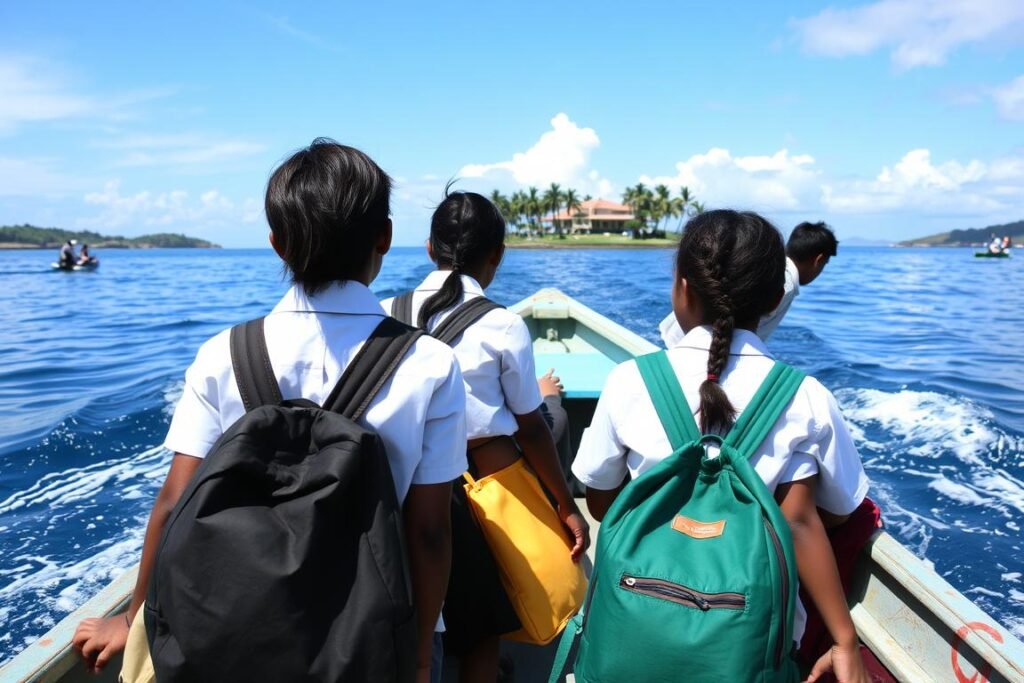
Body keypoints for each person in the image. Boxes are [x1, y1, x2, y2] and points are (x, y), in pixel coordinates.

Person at [71, 139, 468, 683]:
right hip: (373, 635)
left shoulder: (223, 354)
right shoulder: (430, 364)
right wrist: (420, 657)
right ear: (385, 237)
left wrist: (134, 617)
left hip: (235, 628)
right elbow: (428, 533)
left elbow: (171, 504)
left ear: (277, 245)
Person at [573, 210, 870, 682]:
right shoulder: (804, 396)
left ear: (682, 289)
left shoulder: (630, 381)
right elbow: (817, 518)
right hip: (744, 650)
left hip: (630, 633)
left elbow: (603, 499)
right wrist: (844, 639)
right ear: (776, 298)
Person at [381, 190, 589, 683]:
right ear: (496, 255)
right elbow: (533, 428)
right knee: (480, 629)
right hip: (477, 491)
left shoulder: (387, 310)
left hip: (400, 484)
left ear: (430, 248)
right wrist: (565, 506)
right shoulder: (502, 324)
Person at [658, 220, 838, 345]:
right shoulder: (784, 283)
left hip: (680, 341)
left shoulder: (763, 268)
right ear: (819, 260)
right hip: (693, 350)